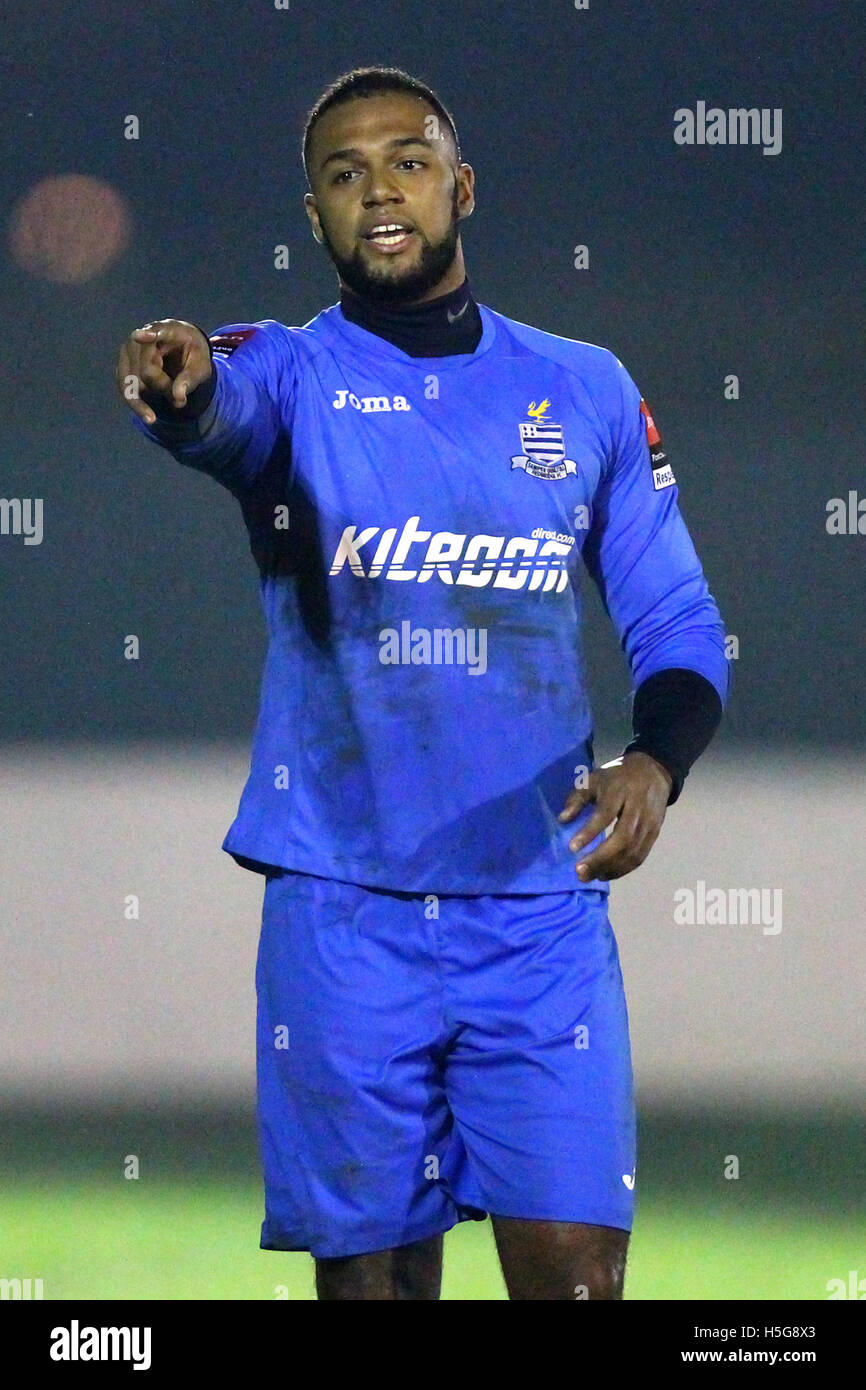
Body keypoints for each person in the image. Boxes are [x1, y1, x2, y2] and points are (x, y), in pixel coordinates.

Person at [115, 65, 730, 1300]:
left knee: (576, 1282)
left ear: (461, 185)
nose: (377, 190)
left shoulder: (586, 387)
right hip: (345, 916)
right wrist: (181, 389)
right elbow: (213, 401)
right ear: (314, 218)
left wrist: (656, 761)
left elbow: (676, 620)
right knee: (373, 1294)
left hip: (536, 908)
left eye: (405, 159)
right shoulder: (285, 375)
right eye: (342, 174)